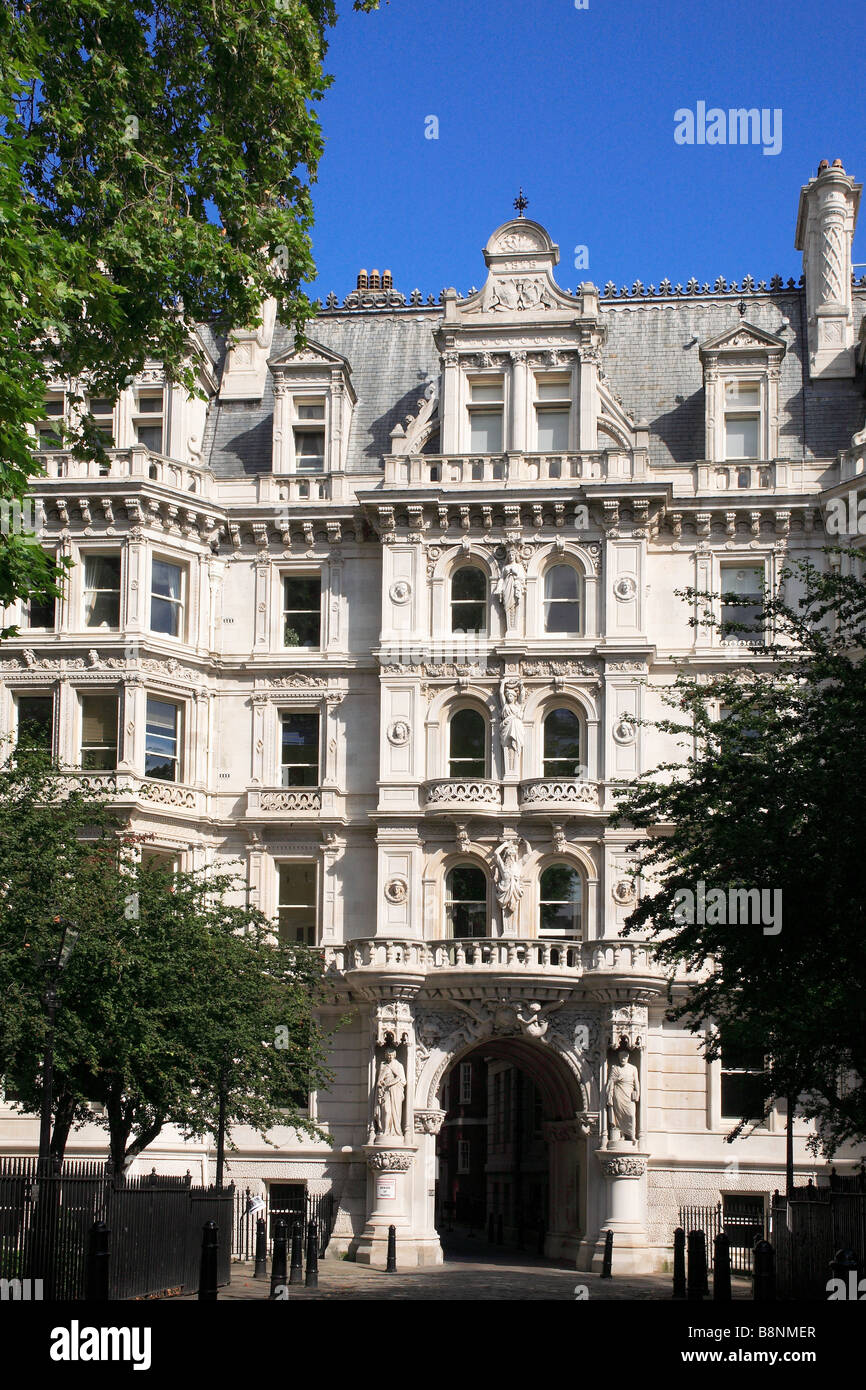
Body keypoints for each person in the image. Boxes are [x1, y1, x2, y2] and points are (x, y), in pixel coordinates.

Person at [606, 1041, 640, 1143]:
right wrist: (609, 1094)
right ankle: (621, 1135)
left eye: (624, 1057)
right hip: (618, 1093)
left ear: (628, 1057)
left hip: (628, 1094)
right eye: (621, 1057)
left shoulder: (633, 1068)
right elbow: (610, 1082)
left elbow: (636, 1081)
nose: (623, 1059)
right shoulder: (615, 1069)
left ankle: (632, 1135)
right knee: (619, 1116)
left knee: (631, 1115)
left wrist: (637, 1092)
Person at [374, 1048, 406, 1138]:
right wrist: (381, 1083)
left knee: (395, 1111)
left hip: (396, 1091)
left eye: (391, 1055)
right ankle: (384, 1130)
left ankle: (395, 1131)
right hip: (385, 1091)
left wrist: (391, 1083)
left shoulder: (399, 1065)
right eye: (388, 1055)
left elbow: (402, 1080)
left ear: (394, 1055)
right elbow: (379, 1080)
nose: (390, 1057)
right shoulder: (383, 1065)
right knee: (386, 1111)